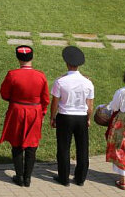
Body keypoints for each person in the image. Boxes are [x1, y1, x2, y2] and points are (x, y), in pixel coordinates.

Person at [0, 45, 50, 187]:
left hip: (17, 111)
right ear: (32, 57)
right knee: (32, 145)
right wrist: (43, 112)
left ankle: (20, 176)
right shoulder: (40, 75)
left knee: (16, 144)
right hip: (34, 112)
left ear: (18, 58)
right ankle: (27, 178)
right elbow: (45, 98)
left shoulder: (12, 74)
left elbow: (4, 94)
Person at [50, 46, 94, 187]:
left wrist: (52, 117)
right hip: (81, 117)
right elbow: (90, 106)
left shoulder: (60, 81)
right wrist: (88, 118)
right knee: (82, 148)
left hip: (65, 116)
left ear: (66, 63)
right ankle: (80, 178)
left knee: (63, 148)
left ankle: (63, 178)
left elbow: (55, 102)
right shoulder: (88, 82)